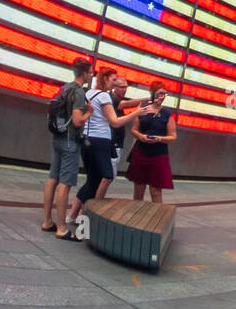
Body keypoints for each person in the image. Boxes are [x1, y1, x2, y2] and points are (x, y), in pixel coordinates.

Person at [68, 68, 152, 226]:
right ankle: (85, 216)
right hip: (100, 141)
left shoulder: (89, 93)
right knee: (104, 176)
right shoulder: (104, 95)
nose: (115, 84)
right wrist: (136, 113)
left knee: (93, 179)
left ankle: (74, 215)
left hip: (87, 140)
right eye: (113, 80)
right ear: (105, 79)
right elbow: (115, 122)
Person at [42, 58, 94, 241]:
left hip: (57, 138)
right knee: (65, 184)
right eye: (91, 72)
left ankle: (47, 221)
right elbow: (78, 120)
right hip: (71, 142)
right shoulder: (79, 92)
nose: (92, 75)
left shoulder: (65, 88)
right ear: (85, 73)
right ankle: (62, 228)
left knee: (52, 179)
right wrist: (90, 112)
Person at [126, 81, 176, 202]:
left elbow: (173, 136)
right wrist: (141, 137)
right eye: (159, 93)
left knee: (156, 190)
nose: (162, 97)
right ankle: (136, 215)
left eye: (164, 94)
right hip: (141, 152)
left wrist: (159, 139)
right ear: (152, 94)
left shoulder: (166, 114)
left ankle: (157, 219)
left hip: (159, 154)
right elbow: (134, 130)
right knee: (139, 188)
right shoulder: (143, 109)